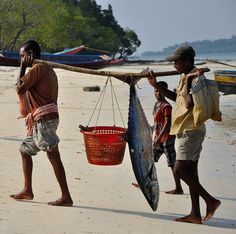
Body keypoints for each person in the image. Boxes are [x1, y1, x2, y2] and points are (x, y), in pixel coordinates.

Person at [147, 45, 220, 224]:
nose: (174, 66)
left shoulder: (195, 79)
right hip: (184, 129)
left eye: (177, 62)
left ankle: (210, 201)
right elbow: (176, 98)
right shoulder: (185, 77)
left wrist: (188, 81)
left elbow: (188, 104)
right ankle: (195, 214)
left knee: (179, 170)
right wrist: (155, 84)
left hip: (191, 131)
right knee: (191, 174)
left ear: (187, 61)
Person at [10, 40, 73, 206]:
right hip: (41, 119)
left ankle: (66, 196)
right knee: (25, 150)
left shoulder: (39, 68)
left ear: (30, 55)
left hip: (45, 119)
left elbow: (20, 88)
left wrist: (23, 68)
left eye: (22, 56)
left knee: (53, 154)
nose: (20, 60)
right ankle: (27, 190)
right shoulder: (45, 68)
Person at [152, 81, 183, 195]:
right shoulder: (156, 105)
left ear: (164, 92)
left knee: (172, 164)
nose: (158, 94)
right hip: (158, 139)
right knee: (149, 160)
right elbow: (156, 124)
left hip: (167, 139)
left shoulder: (166, 106)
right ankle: (145, 181)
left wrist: (158, 138)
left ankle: (178, 187)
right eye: (156, 91)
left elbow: (167, 124)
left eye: (160, 91)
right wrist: (154, 136)